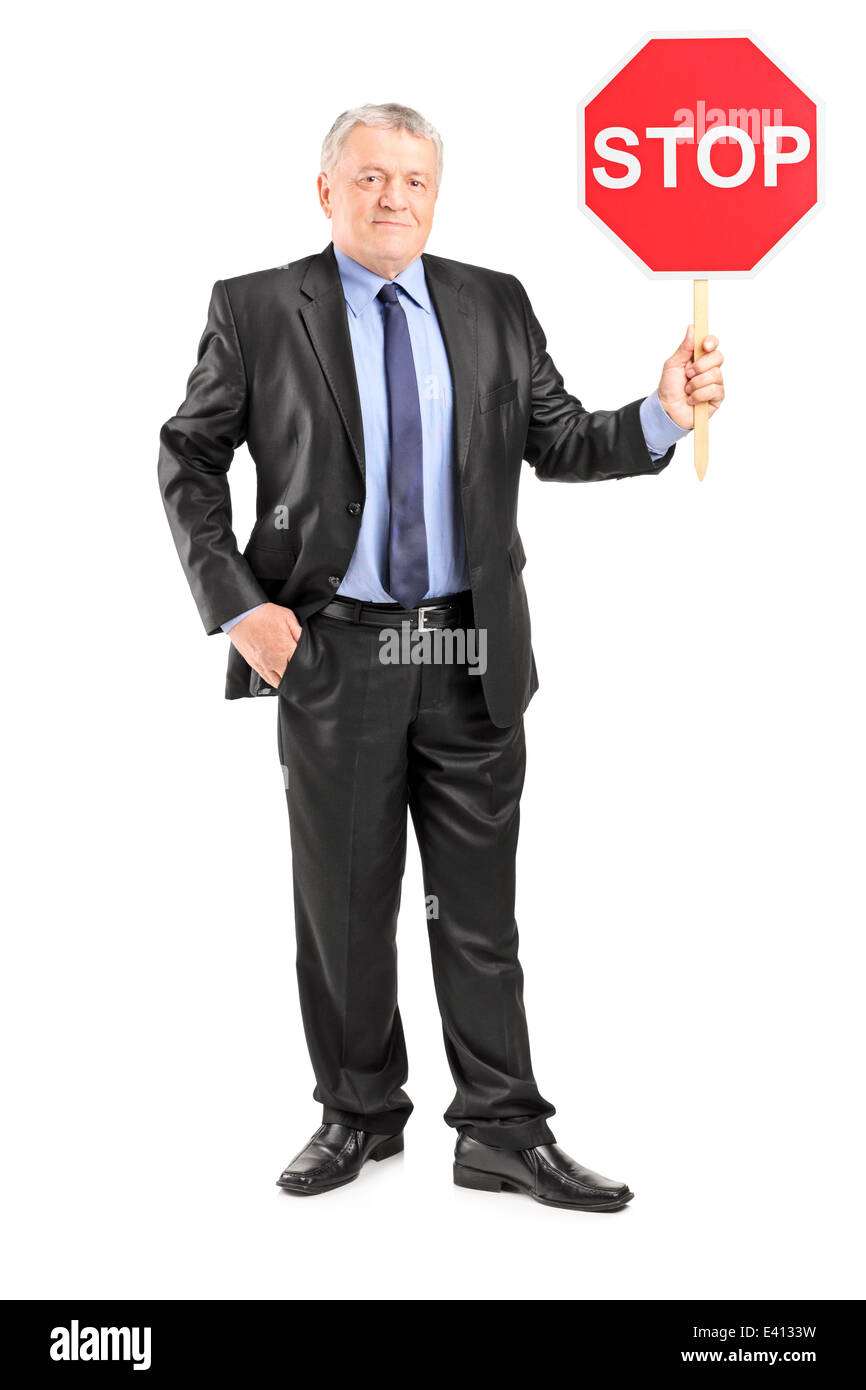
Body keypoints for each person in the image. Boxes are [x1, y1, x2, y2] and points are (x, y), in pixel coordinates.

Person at [158, 102, 725, 1209]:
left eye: (414, 182)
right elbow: (187, 458)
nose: (392, 200)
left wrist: (656, 414)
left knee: (476, 907)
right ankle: (357, 1112)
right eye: (369, 179)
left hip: (471, 649)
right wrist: (239, 608)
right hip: (331, 653)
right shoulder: (260, 308)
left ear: (435, 197)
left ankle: (502, 1128)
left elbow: (559, 441)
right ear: (326, 192)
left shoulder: (490, 302)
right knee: (344, 901)